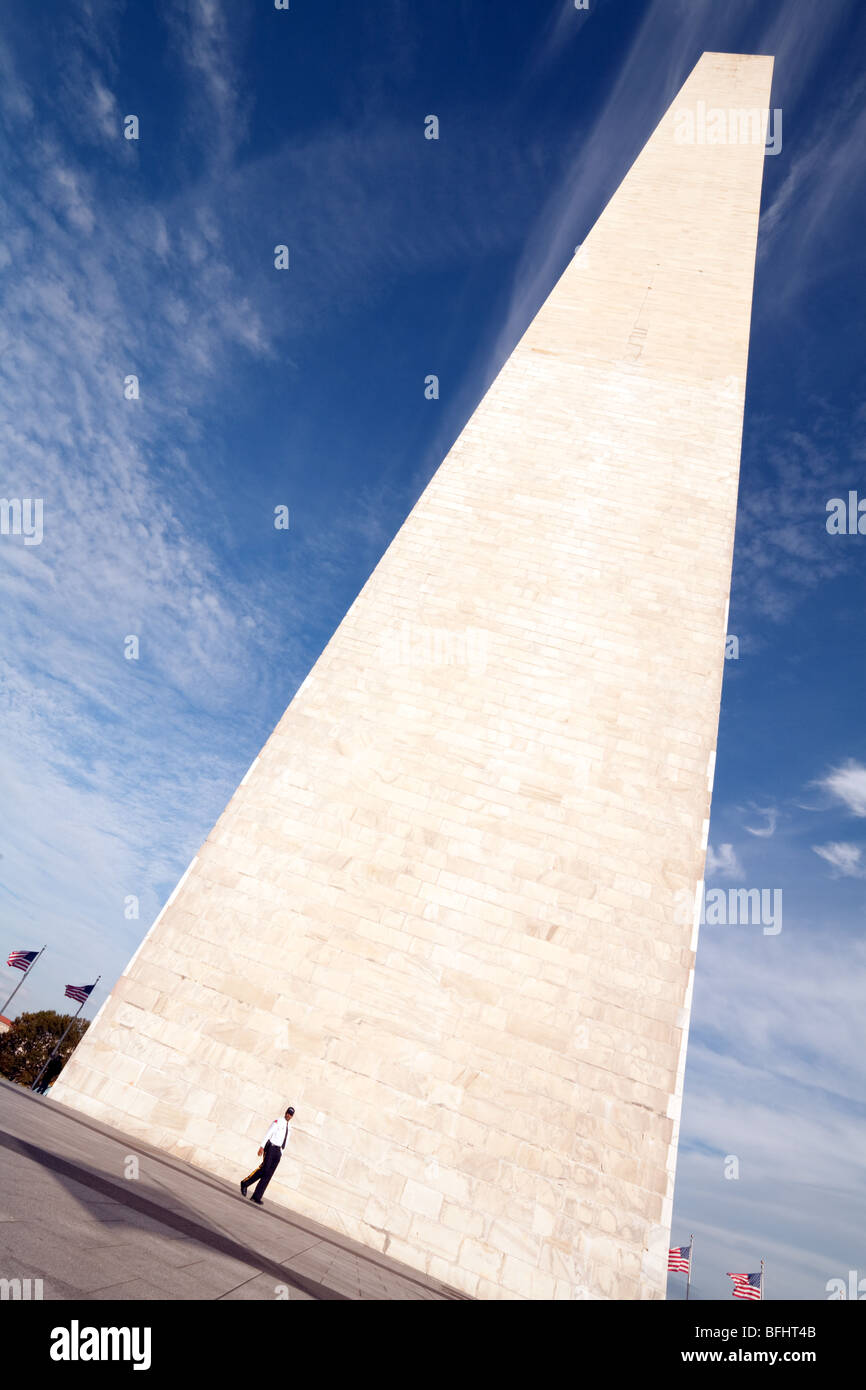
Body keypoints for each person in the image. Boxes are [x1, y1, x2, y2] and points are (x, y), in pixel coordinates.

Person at [240, 1106, 295, 1205]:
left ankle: (256, 1196)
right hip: (271, 1147)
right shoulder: (278, 1121)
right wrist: (262, 1146)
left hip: (278, 1151)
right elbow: (269, 1133)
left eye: (290, 1114)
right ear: (285, 1112)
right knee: (264, 1169)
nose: (288, 1115)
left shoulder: (290, 1127)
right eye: (288, 1113)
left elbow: (286, 1141)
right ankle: (245, 1183)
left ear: (292, 1116)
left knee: (268, 1175)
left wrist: (281, 1152)